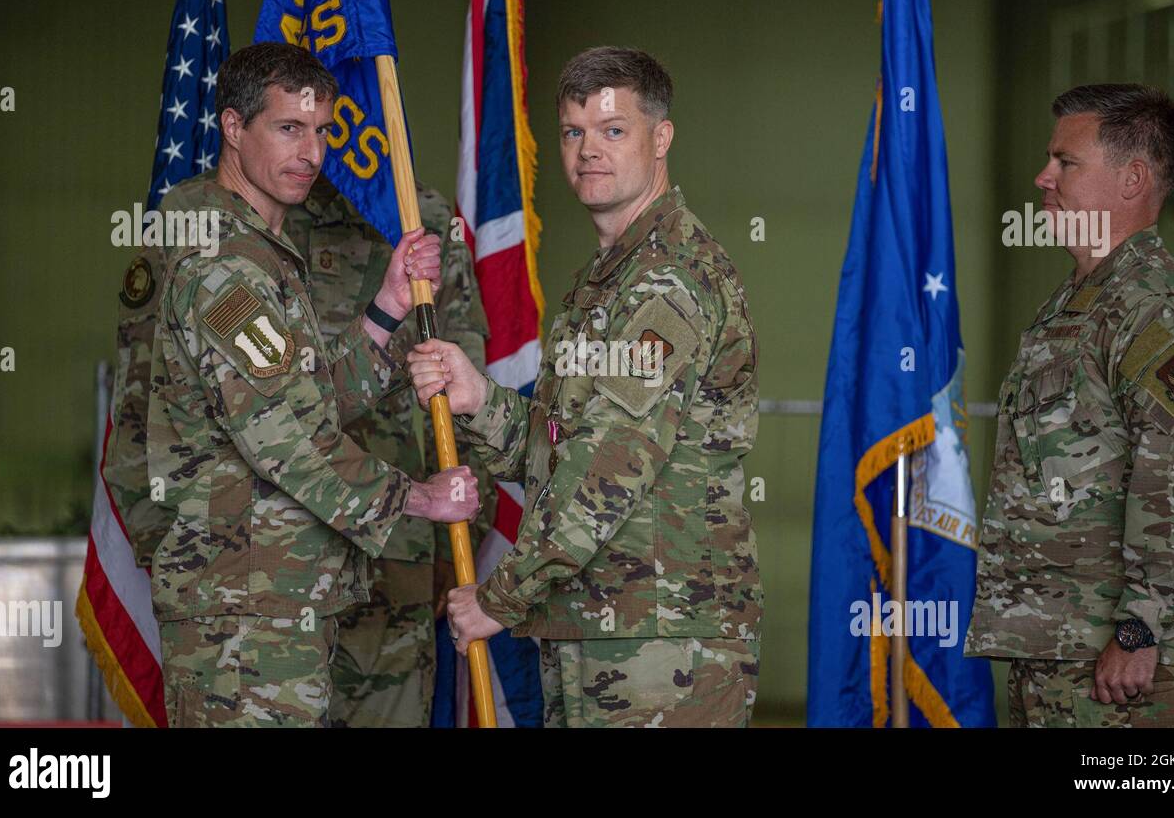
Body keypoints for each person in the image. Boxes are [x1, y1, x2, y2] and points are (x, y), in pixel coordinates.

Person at [408, 47, 761, 727]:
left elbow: (607, 469)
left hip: (663, 648)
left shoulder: (668, 280)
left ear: (661, 138)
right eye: (573, 132)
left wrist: (498, 598)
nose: (587, 150)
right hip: (597, 629)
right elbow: (560, 449)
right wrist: (478, 396)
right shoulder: (605, 281)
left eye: (612, 130)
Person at [146, 42, 479, 727]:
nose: (312, 152)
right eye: (288, 128)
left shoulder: (258, 246)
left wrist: (386, 311)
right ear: (234, 128)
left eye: (323, 130)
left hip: (273, 602)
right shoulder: (224, 262)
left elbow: (307, 398)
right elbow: (287, 439)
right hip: (242, 617)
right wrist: (417, 496)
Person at [964, 84, 1174, 727]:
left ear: (1132, 178)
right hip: (1059, 647)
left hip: (1123, 662)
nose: (1043, 177)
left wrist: (1140, 631)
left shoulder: (1157, 309)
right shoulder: (1078, 301)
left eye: (1066, 163)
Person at [286, 174, 494, 727]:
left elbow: (464, 379)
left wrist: (466, 535)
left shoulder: (416, 213)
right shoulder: (252, 213)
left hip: (398, 553)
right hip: (278, 551)